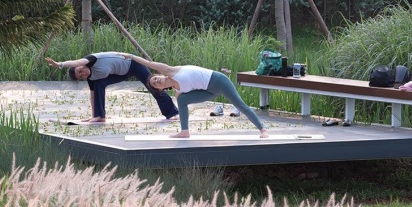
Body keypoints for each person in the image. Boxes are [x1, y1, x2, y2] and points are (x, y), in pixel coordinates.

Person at [121, 53, 267, 138]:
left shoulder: (170, 71)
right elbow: (181, 103)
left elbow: (148, 63)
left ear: (159, 75)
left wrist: (130, 56)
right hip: (210, 91)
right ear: (160, 89)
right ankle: (185, 131)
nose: (156, 81)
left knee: (240, 106)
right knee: (182, 100)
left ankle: (262, 130)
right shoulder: (177, 91)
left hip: (219, 81)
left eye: (155, 78)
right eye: (155, 84)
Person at [45, 52, 178, 124]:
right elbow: (93, 96)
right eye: (80, 76)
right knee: (99, 85)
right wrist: (94, 115)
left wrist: (59, 64)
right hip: (120, 73)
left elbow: (77, 62)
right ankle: (100, 116)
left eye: (80, 70)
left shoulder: (90, 59)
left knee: (153, 87)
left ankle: (172, 113)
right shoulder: (92, 78)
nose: (83, 73)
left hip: (133, 65)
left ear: (82, 65)